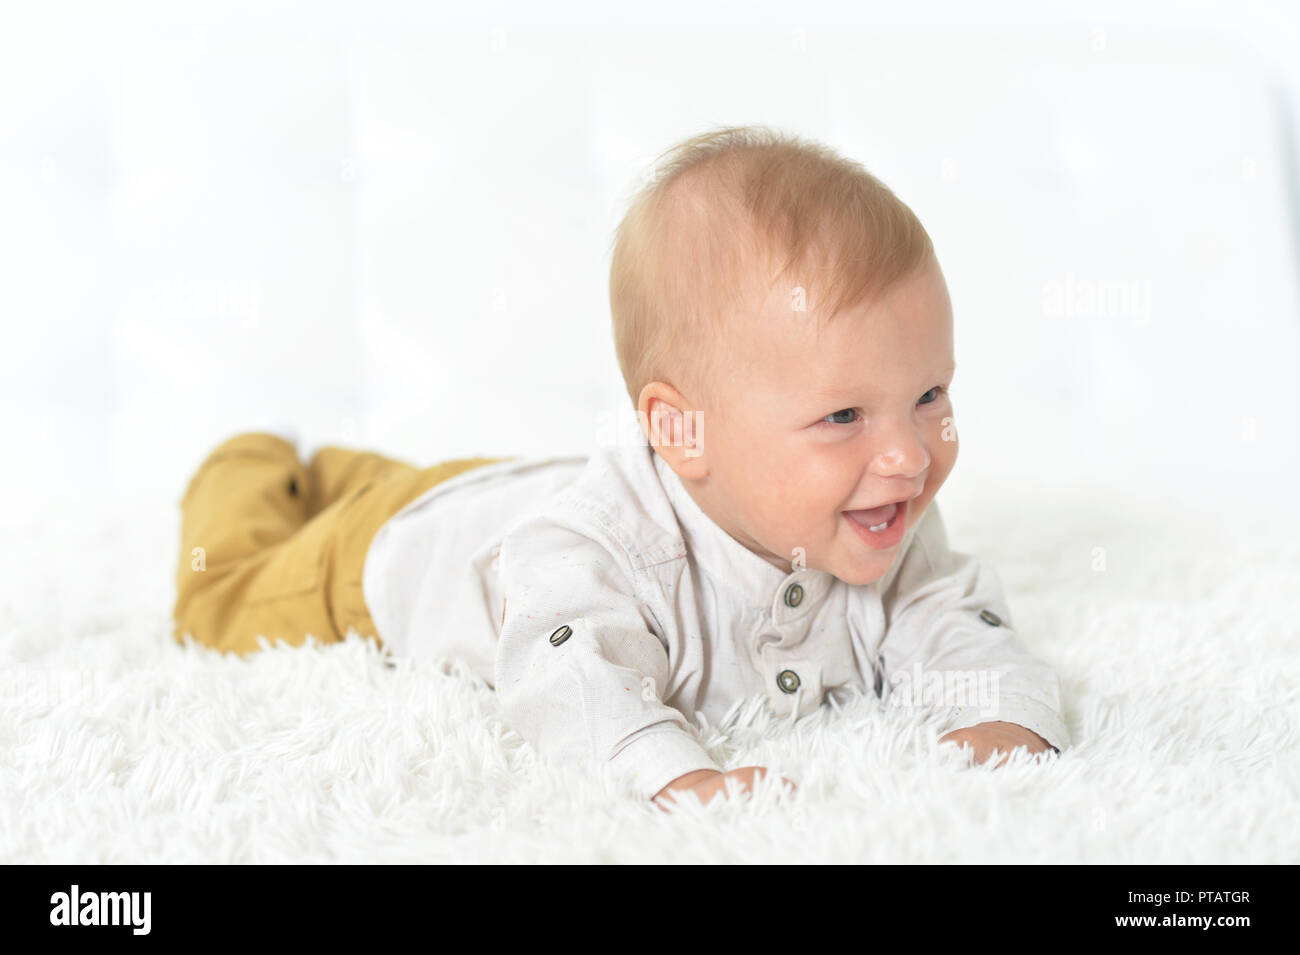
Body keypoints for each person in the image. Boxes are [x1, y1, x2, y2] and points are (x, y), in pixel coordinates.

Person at [172, 125, 1069, 810]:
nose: (910, 454)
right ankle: (249, 459)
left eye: (930, 394)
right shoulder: (598, 558)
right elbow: (571, 677)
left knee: (475, 482)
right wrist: (673, 777)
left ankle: (344, 467)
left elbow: (957, 626)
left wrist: (1000, 718)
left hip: (530, 482)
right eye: (844, 415)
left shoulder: (879, 511)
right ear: (683, 432)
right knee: (223, 596)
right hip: (396, 553)